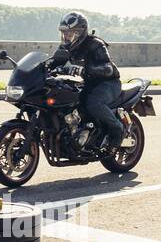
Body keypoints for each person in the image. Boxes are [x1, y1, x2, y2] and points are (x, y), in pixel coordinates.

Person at [46, 11, 124, 151]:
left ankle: (117, 129)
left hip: (108, 83)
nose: (66, 37)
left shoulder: (95, 44)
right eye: (64, 33)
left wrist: (84, 70)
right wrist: (42, 67)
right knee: (68, 99)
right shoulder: (65, 46)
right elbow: (54, 61)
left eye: (70, 33)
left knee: (93, 103)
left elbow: (108, 69)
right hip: (88, 83)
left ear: (80, 32)